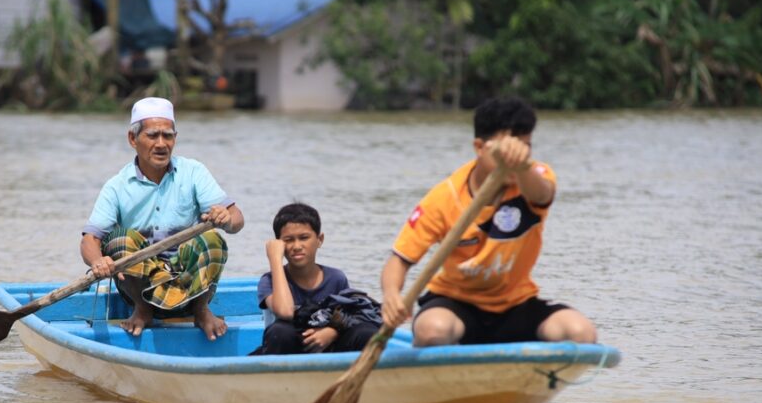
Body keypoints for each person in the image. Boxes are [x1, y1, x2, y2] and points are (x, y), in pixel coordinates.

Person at [380, 96, 597, 347]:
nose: (513, 161)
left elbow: (543, 194)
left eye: (524, 148)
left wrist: (522, 164)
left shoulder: (533, 177)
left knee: (581, 333)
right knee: (432, 330)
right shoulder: (444, 197)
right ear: (480, 147)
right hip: (456, 304)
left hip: (516, 304)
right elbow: (399, 260)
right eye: (505, 152)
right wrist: (392, 296)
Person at [81, 97, 244, 340]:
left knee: (211, 239)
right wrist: (98, 262)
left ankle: (200, 310)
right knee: (118, 240)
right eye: (152, 135)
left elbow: (237, 218)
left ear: (175, 139)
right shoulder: (116, 186)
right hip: (140, 285)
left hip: (187, 281)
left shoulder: (193, 172)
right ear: (133, 139)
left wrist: (226, 218)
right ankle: (143, 310)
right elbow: (90, 240)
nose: (161, 144)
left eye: (168, 136)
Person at [255, 202, 381, 354]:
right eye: (288, 240)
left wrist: (331, 332)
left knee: (367, 332)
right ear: (279, 244)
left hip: (328, 346)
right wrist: (275, 259)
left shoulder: (336, 278)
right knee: (280, 331)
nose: (297, 246)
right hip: (289, 348)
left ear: (319, 239)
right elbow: (285, 312)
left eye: (304, 238)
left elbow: (345, 314)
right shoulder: (269, 281)